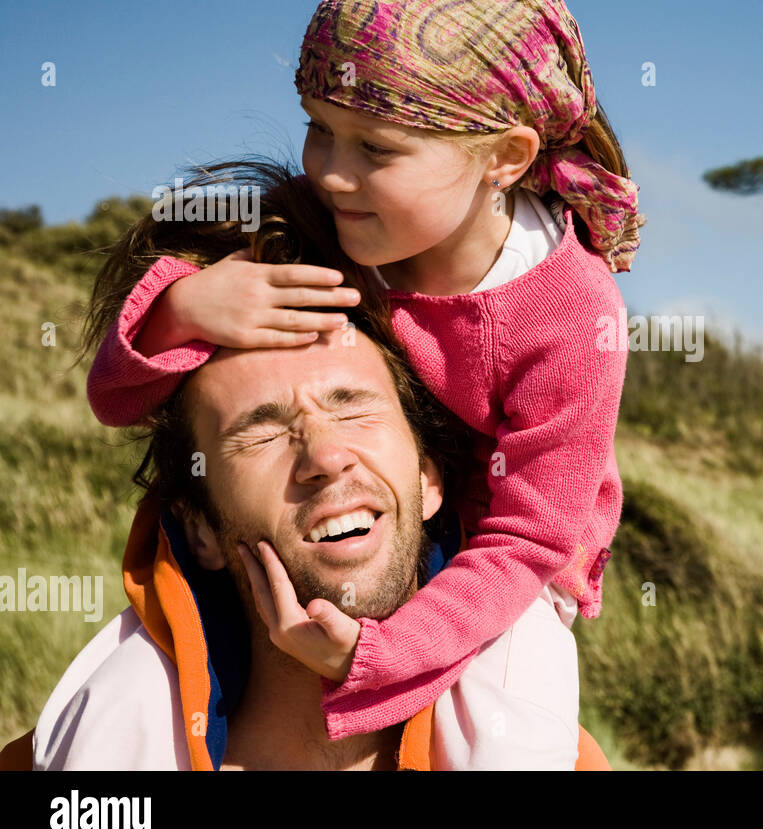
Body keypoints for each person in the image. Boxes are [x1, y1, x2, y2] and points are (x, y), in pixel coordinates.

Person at [82, 0, 645, 765]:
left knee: (507, 732)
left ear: (504, 155)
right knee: (120, 698)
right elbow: (115, 398)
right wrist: (184, 310)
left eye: (375, 147)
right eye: (317, 125)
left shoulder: (575, 312)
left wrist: (383, 657)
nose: (330, 170)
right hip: (375, 521)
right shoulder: (342, 228)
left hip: (511, 558)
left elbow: (532, 537)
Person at [0, 165, 607, 769]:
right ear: (198, 527)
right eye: (261, 431)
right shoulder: (75, 758)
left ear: (431, 478)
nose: (326, 457)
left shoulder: (545, 754)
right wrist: (177, 311)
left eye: (354, 411)